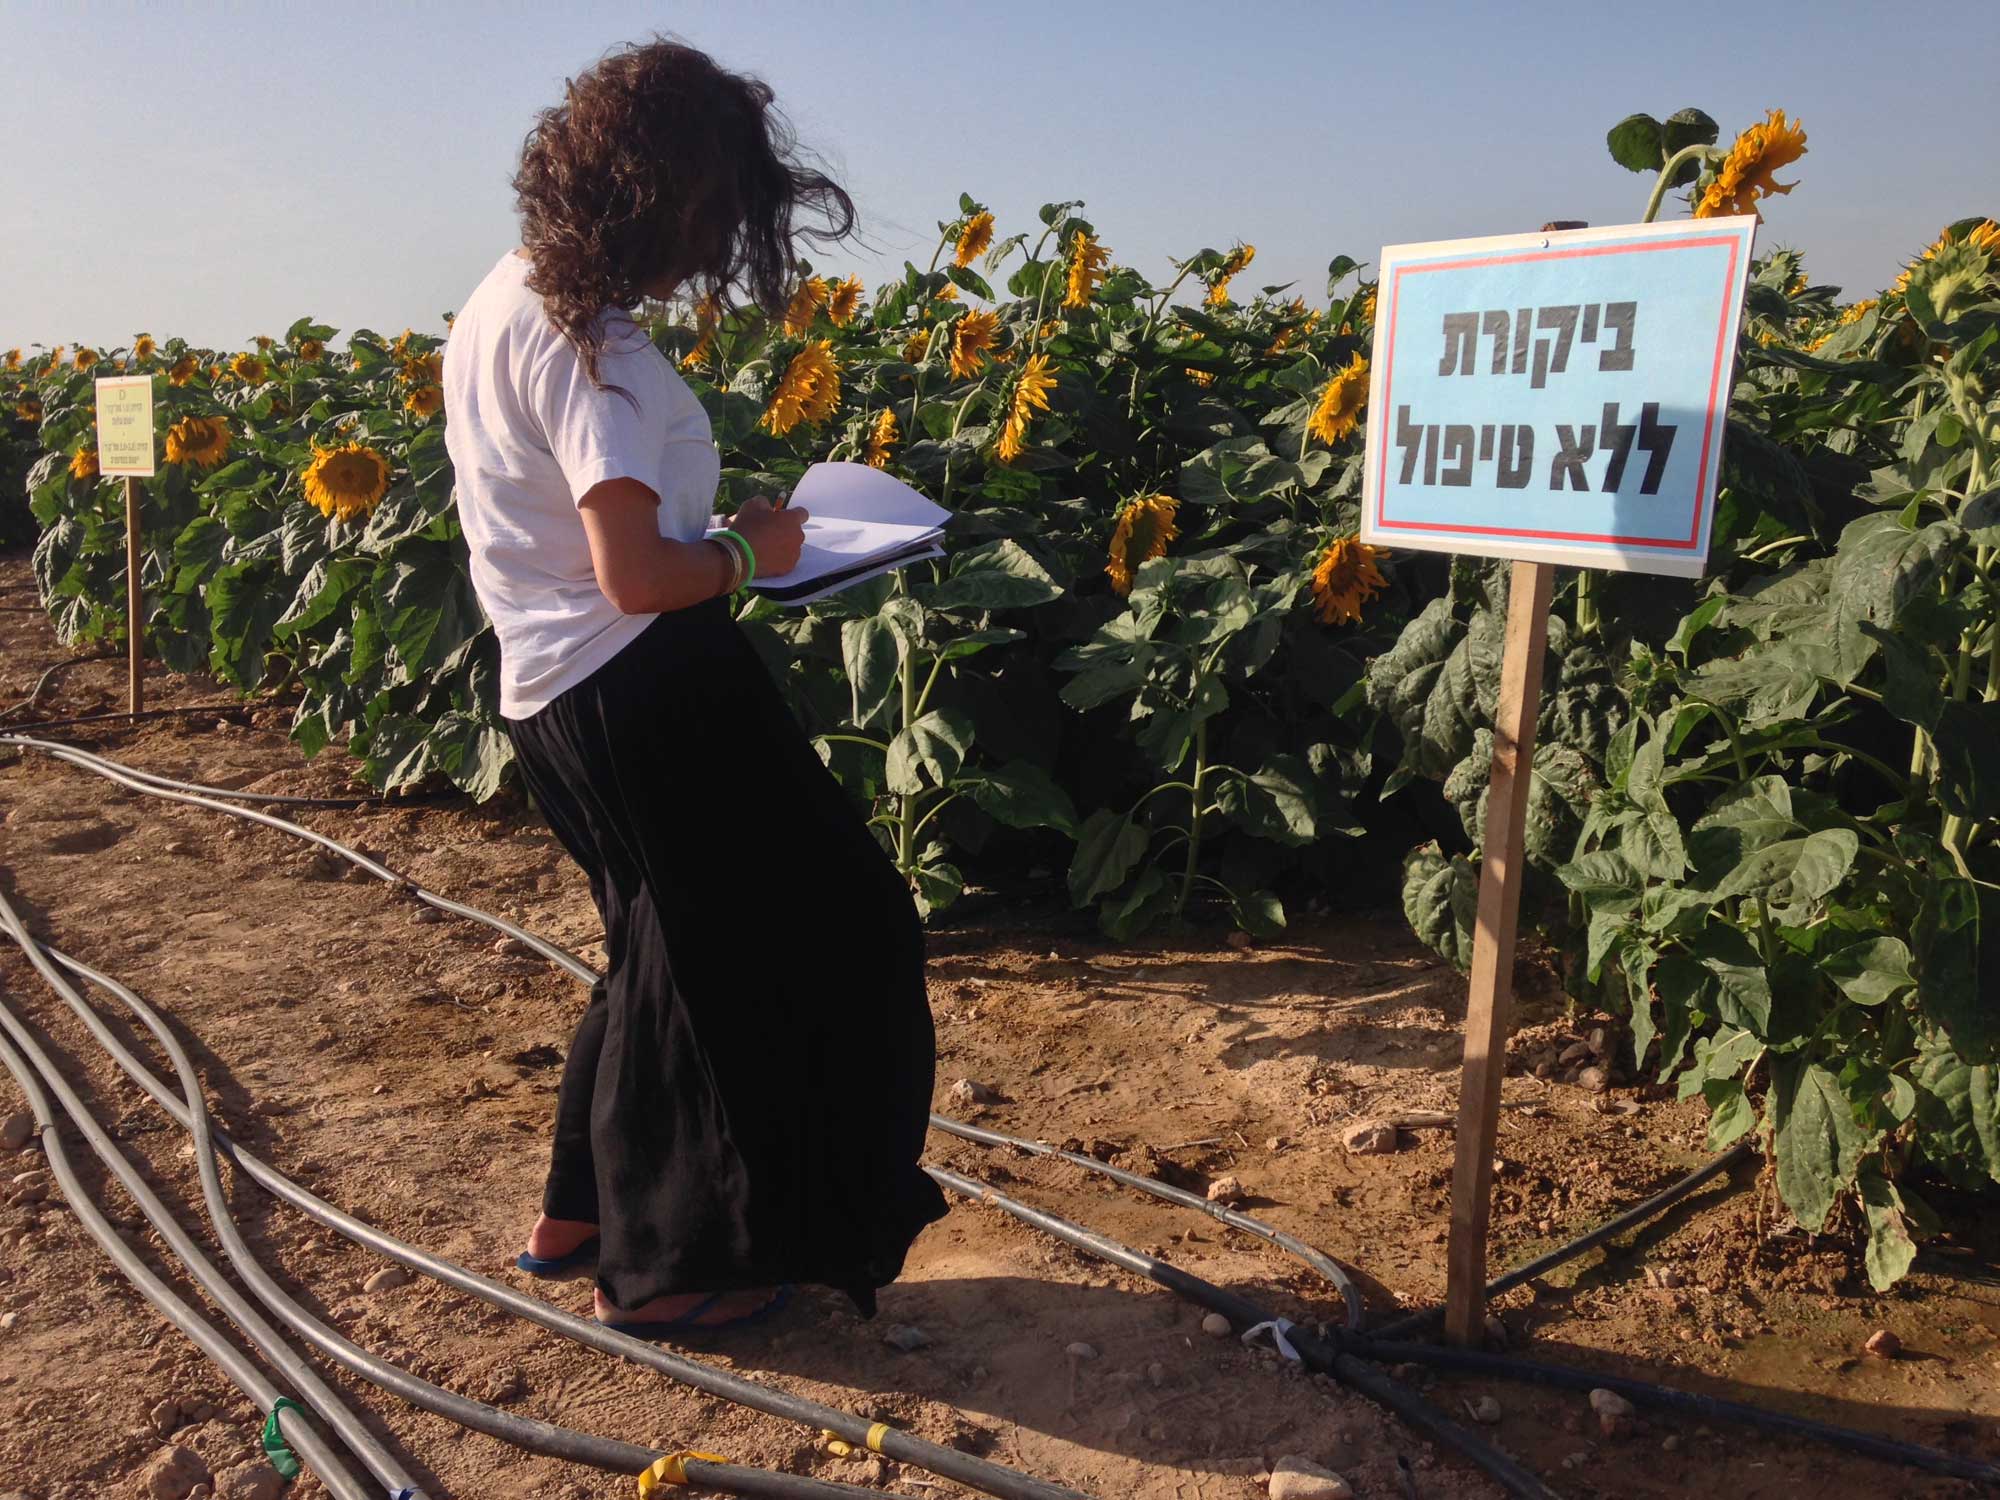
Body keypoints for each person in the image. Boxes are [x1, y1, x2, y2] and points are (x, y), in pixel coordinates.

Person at [441, 38, 946, 1335]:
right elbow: (632, 574)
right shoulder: (593, 348)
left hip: (550, 691)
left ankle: (582, 1213)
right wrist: (754, 552)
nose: (710, 249)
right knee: (835, 931)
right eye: (714, 217)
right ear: (661, 198)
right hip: (642, 680)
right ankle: (678, 1271)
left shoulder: (499, 302)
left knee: (656, 948)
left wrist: (728, 545)